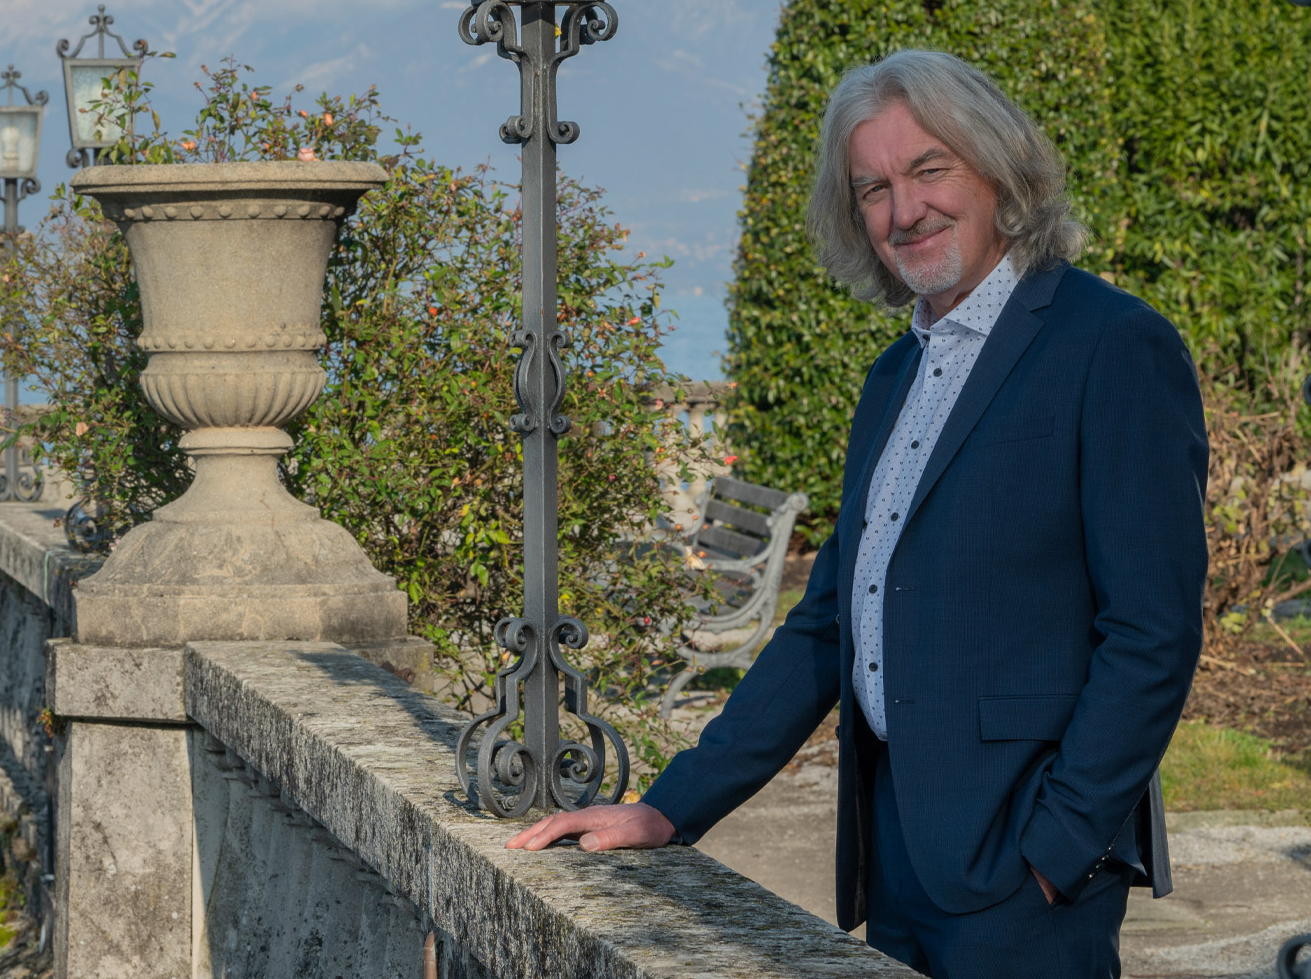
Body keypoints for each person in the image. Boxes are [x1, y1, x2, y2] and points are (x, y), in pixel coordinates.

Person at [508, 49, 1206, 979]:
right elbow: (830, 619)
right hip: (894, 860)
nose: (903, 210)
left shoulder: (1113, 344)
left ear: (1000, 170)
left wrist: (1056, 848)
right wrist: (672, 808)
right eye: (873, 188)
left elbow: (1153, 632)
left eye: (928, 170)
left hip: (1024, 871)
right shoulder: (894, 377)